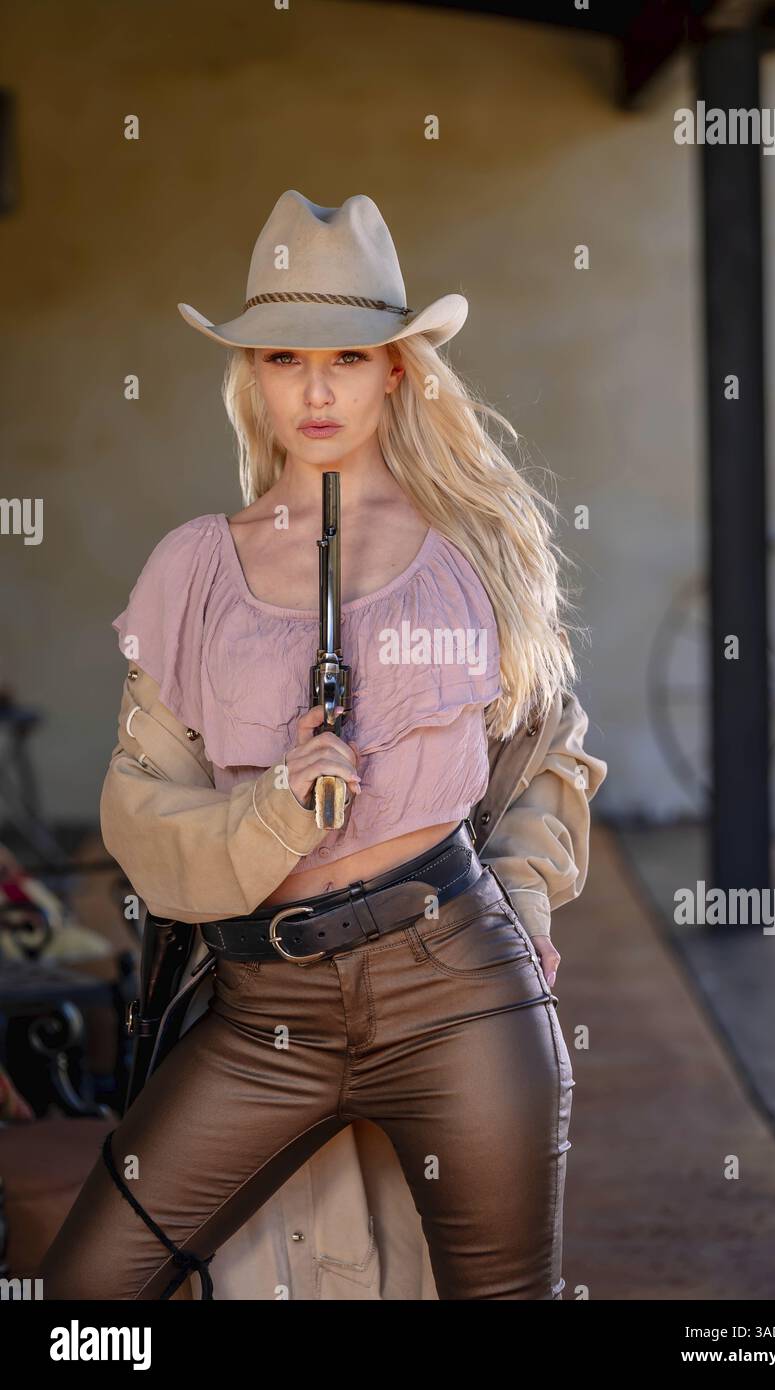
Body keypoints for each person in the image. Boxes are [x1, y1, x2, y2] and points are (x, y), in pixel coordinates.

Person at [38, 190, 607, 1301]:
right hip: (264, 1010)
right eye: (283, 357)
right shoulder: (196, 568)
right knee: (84, 1302)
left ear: (396, 368)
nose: (313, 388)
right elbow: (138, 808)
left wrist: (527, 903)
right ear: (249, 375)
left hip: (455, 988)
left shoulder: (471, 549)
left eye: (346, 354)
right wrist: (272, 808)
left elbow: (547, 743)